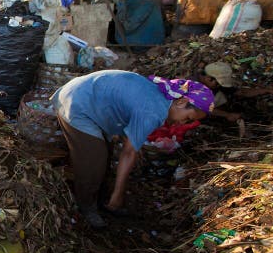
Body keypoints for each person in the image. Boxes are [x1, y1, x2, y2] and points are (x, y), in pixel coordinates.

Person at [52, 70, 214, 229]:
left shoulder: (161, 96)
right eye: (187, 118)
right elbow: (128, 152)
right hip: (77, 103)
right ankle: (86, 208)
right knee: (94, 162)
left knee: (104, 156)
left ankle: (100, 201)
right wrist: (118, 194)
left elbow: (129, 110)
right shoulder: (154, 111)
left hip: (85, 94)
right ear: (181, 102)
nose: (182, 124)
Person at [194, 61, 273, 122]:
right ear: (209, 79)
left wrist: (266, 90)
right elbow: (203, 107)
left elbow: (241, 92)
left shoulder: (215, 83)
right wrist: (227, 115)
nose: (219, 85)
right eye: (218, 84)